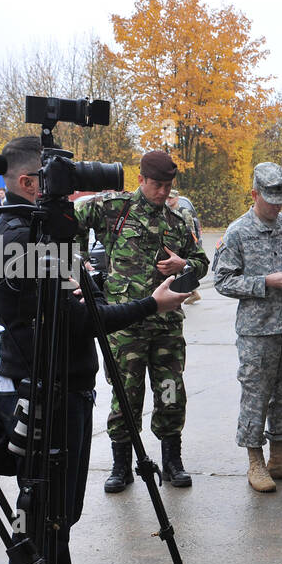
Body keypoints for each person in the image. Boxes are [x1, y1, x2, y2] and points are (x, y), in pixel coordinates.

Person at [0, 136, 189, 564]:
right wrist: (151, 304)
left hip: (71, 385)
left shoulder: (50, 235)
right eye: (62, 181)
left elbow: (87, 298)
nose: (74, 192)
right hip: (39, 389)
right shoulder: (18, 238)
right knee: (39, 512)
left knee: (63, 510)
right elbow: (73, 317)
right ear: (31, 183)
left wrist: (100, 292)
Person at [75, 150, 208, 492]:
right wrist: (80, 265)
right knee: (125, 396)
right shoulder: (114, 209)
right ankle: (122, 466)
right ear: (141, 180)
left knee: (170, 394)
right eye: (157, 185)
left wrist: (184, 265)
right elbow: (69, 220)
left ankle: (172, 462)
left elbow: (202, 263)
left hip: (166, 328)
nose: (163, 192)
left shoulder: (177, 222)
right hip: (125, 326)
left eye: (167, 186)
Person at [213, 162, 282, 492]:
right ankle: (255, 462)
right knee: (256, 398)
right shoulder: (237, 232)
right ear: (255, 194)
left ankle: (280, 458)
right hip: (257, 332)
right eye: (270, 200)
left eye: (281, 200)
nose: (276, 206)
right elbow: (222, 281)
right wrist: (263, 282)